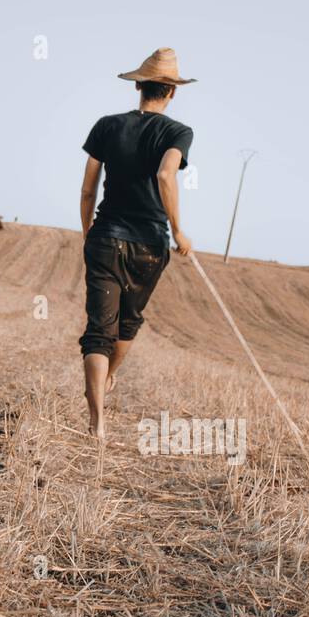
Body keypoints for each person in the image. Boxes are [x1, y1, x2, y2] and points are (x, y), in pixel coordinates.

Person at [78, 47, 196, 439]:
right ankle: (110, 375)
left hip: (107, 236)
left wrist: (88, 232)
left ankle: (97, 421)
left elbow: (87, 190)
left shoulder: (106, 126)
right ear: (172, 92)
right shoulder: (178, 132)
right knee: (127, 325)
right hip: (149, 244)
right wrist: (178, 230)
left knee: (99, 329)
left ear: (139, 87)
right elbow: (166, 176)